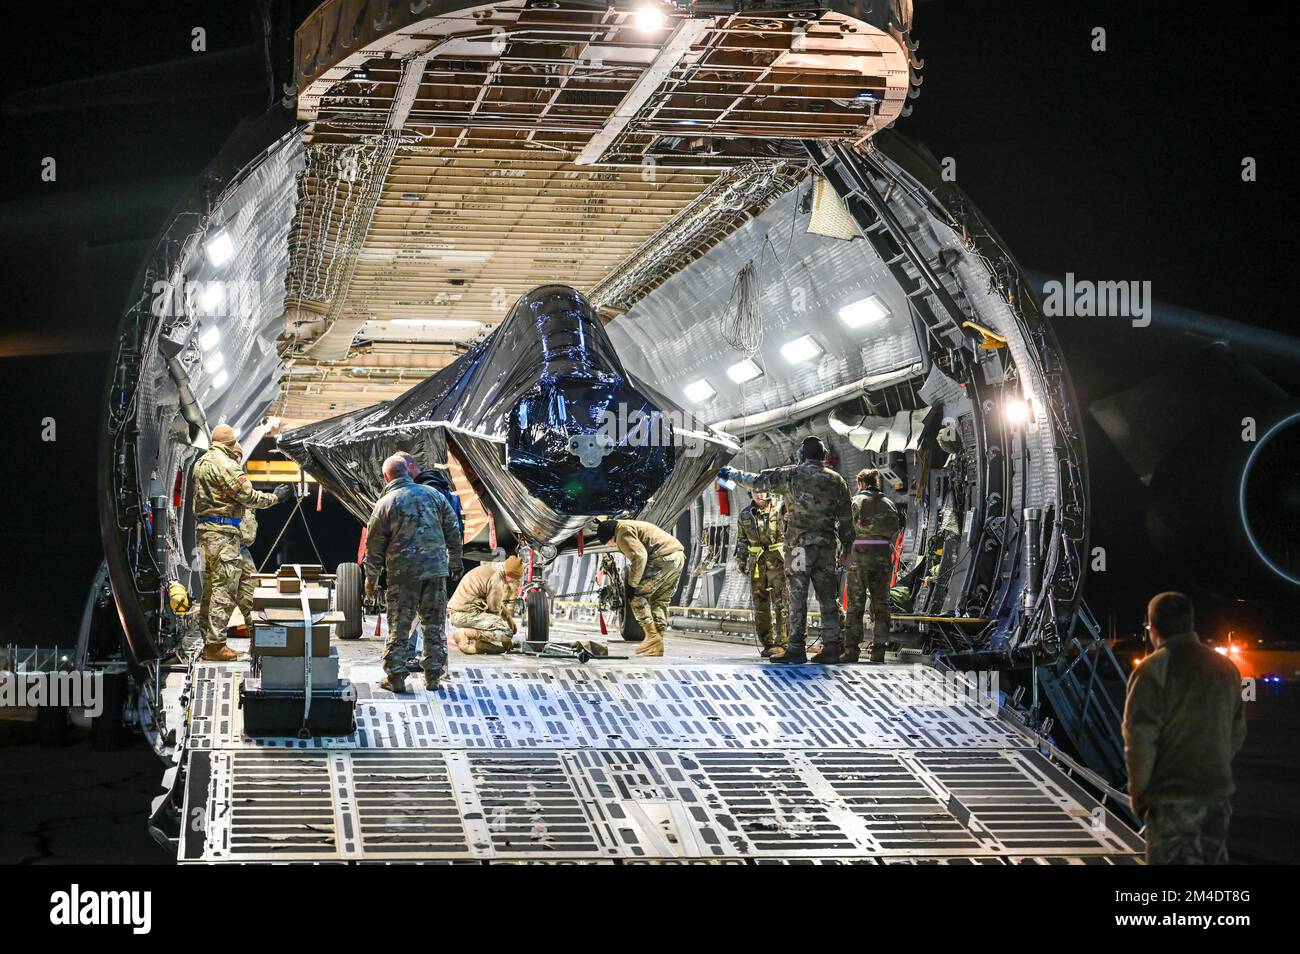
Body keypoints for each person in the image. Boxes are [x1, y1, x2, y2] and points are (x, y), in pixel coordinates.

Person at [1122, 592, 1247, 864]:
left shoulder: (1151, 670)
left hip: (1171, 800)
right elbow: (1236, 731)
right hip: (1216, 796)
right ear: (1191, 624)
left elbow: (1140, 741)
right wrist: (1213, 766)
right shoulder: (1226, 668)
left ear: (1153, 630)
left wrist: (1139, 794)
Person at [719, 436, 852, 664]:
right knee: (828, 596)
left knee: (797, 596)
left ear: (802, 455)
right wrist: (847, 547)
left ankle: (797, 648)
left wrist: (729, 473)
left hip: (800, 547)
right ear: (823, 456)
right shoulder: (837, 480)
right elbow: (847, 518)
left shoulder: (792, 474)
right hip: (826, 547)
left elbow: (757, 481)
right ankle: (832, 647)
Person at [363, 454, 463, 692]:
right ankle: (433, 678)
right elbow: (453, 529)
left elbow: (374, 546)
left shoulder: (386, 504)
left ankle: (396, 678)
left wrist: (371, 581)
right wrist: (456, 562)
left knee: (399, 627)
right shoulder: (435, 496)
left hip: (403, 576)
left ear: (387, 476)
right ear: (407, 472)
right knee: (434, 626)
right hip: (435, 572)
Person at [192, 424, 290, 661]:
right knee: (223, 591)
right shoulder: (225, 465)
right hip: (224, 535)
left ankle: (261, 635)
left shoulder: (201, 463)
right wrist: (276, 497)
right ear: (230, 445)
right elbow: (249, 496)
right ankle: (215, 646)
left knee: (244, 583)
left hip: (210, 533)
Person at [397, 452, 466, 667]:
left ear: (409, 468)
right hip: (437, 561)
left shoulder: (422, 493)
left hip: (418, 560)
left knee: (410, 612)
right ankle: (436, 664)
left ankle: (408, 657)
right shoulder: (441, 489)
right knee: (432, 614)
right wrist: (455, 559)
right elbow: (454, 529)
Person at [596, 518, 684, 657]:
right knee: (659, 601)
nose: (610, 545)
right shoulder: (630, 524)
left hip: (662, 559)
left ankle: (651, 637)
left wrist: (632, 585)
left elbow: (639, 556)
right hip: (677, 558)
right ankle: (657, 645)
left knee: (637, 598)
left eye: (608, 542)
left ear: (611, 536)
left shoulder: (622, 532)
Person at [842, 469, 904, 663]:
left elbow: (844, 528)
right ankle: (879, 651)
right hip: (883, 556)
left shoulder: (856, 501)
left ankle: (852, 650)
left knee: (856, 603)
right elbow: (895, 528)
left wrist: (845, 551)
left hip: (859, 555)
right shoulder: (889, 503)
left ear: (860, 483)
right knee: (881, 604)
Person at [733, 491, 788, 658]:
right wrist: (741, 561)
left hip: (778, 561)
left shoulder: (780, 508)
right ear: (751, 494)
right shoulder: (745, 515)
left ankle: (783, 643)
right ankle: (768, 643)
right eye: (756, 492)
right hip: (757, 563)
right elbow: (742, 540)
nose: (760, 495)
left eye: (762, 491)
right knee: (760, 604)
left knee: (782, 602)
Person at [447, 556, 525, 654]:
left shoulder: (491, 569)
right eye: (514, 579)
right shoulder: (496, 580)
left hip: (460, 612)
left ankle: (481, 644)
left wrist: (508, 616)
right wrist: (505, 639)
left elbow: (495, 604)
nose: (513, 582)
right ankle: (466, 634)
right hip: (465, 615)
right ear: (510, 574)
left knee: (495, 628)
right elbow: (494, 610)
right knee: (507, 632)